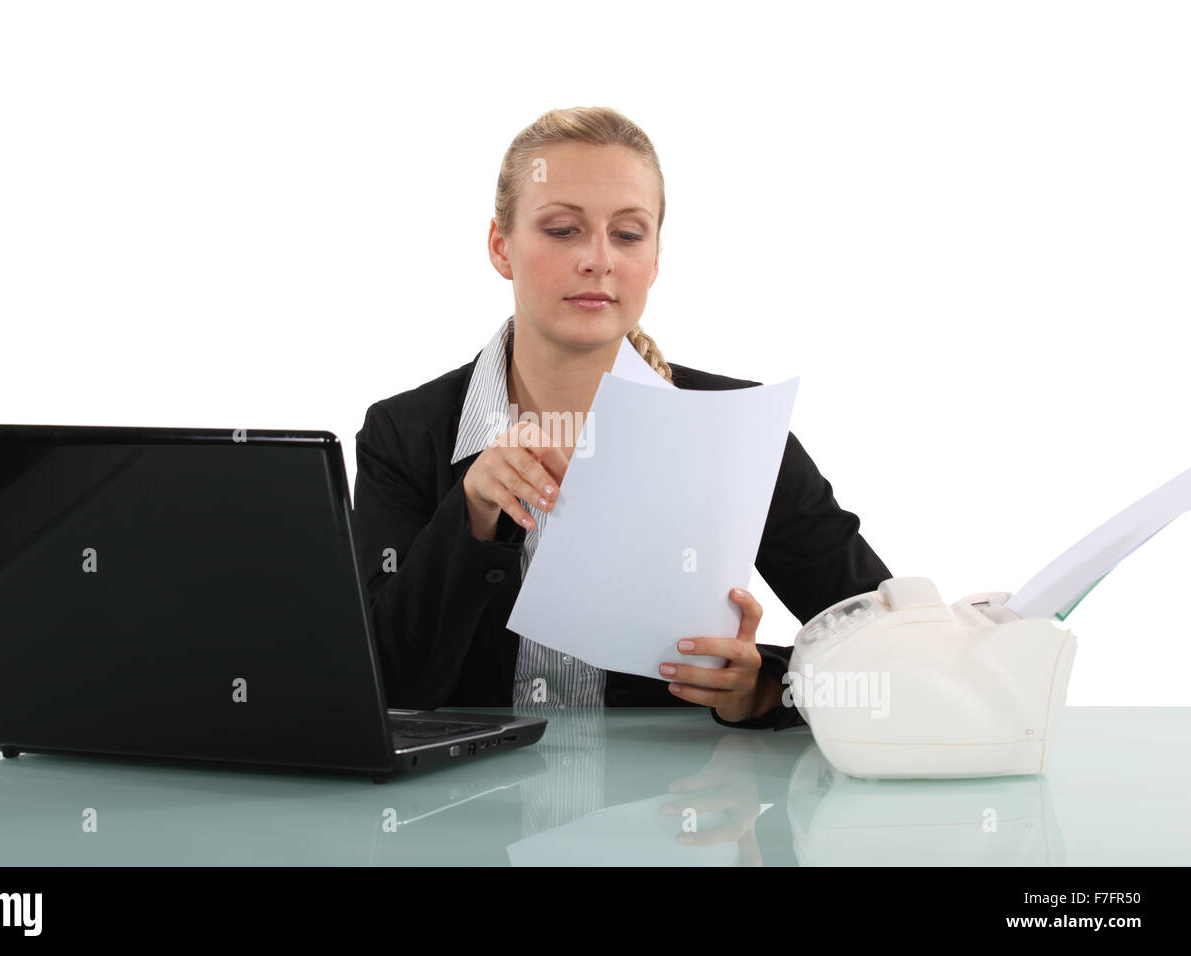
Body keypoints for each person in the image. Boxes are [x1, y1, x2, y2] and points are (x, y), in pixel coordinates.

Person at [352, 105, 892, 731]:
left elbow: (885, 648)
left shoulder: (735, 432)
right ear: (501, 247)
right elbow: (384, 684)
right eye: (562, 229)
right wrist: (470, 517)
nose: (598, 260)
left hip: (660, 817)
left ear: (655, 259)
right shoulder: (404, 434)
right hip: (466, 815)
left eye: (629, 234)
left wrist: (766, 688)